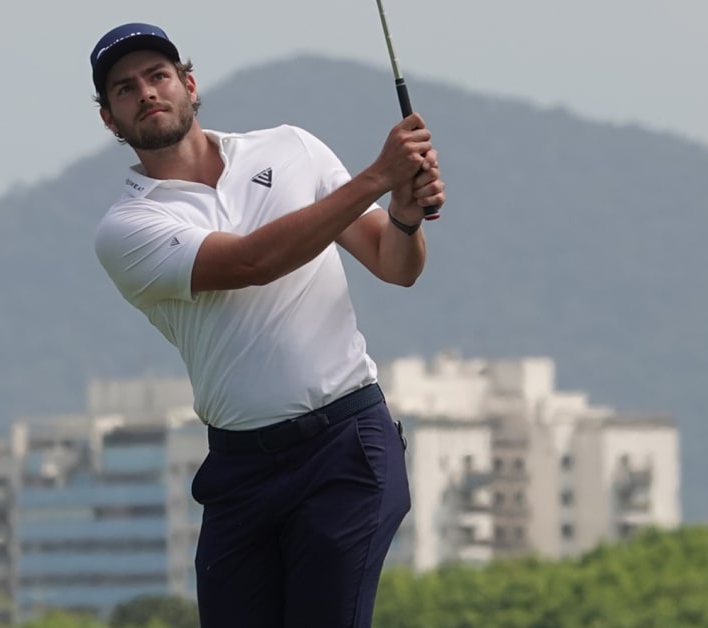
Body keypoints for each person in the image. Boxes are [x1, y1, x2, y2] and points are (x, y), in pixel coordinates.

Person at [89, 21, 446, 628]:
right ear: (110, 119)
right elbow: (252, 261)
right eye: (125, 89)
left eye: (158, 76)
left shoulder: (290, 149)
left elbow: (395, 264)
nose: (146, 92)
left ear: (189, 84)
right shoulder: (127, 228)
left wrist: (405, 217)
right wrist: (378, 179)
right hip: (239, 470)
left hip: (345, 444)